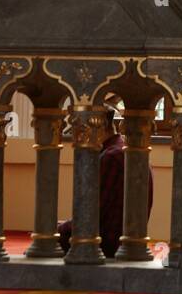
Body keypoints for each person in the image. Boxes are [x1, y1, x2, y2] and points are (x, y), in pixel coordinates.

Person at [58, 105, 153, 258]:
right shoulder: (123, 150)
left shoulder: (111, 158)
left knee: (46, 245)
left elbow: (91, 215)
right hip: (124, 242)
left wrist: (59, 229)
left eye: (79, 126)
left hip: (106, 245)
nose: (76, 134)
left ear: (98, 125)